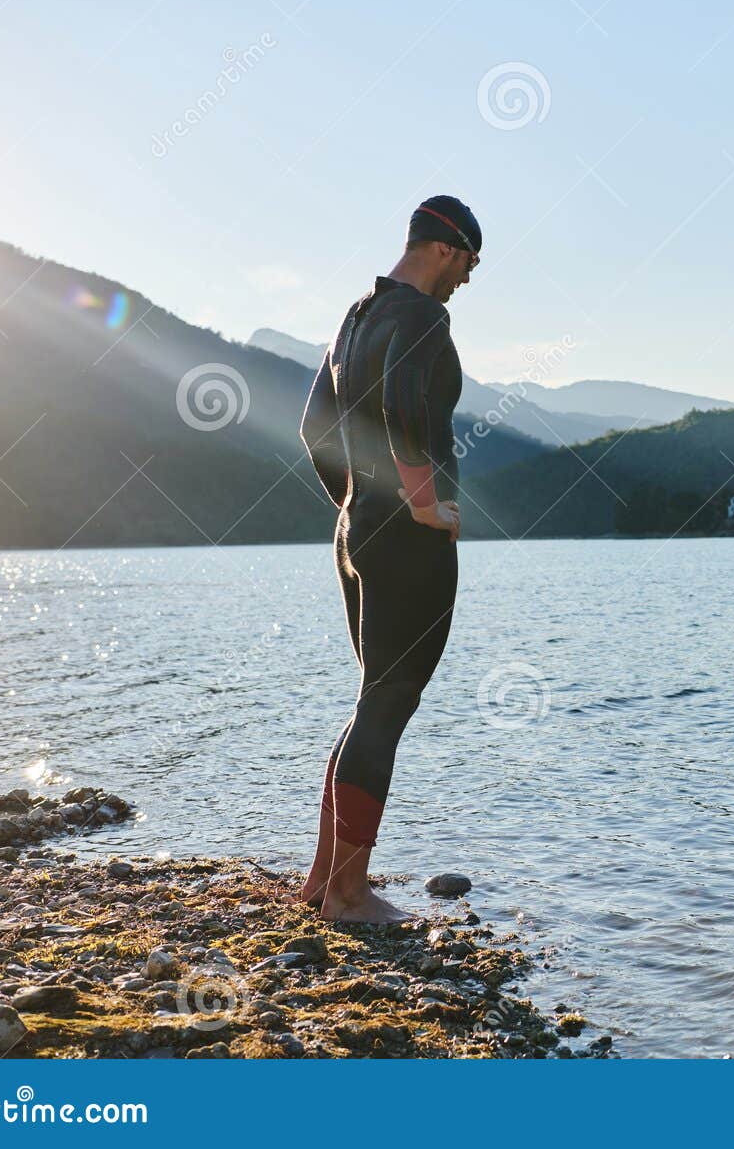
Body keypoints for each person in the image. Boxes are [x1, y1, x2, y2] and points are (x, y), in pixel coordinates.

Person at [296, 195, 481, 923]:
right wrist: (421, 503)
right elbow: (407, 409)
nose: (467, 279)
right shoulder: (419, 317)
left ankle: (323, 881)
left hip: (358, 532)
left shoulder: (357, 316)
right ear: (445, 246)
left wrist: (354, 505)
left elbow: (314, 427)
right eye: (469, 262)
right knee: (387, 707)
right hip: (405, 538)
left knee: (370, 706)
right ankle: (347, 894)